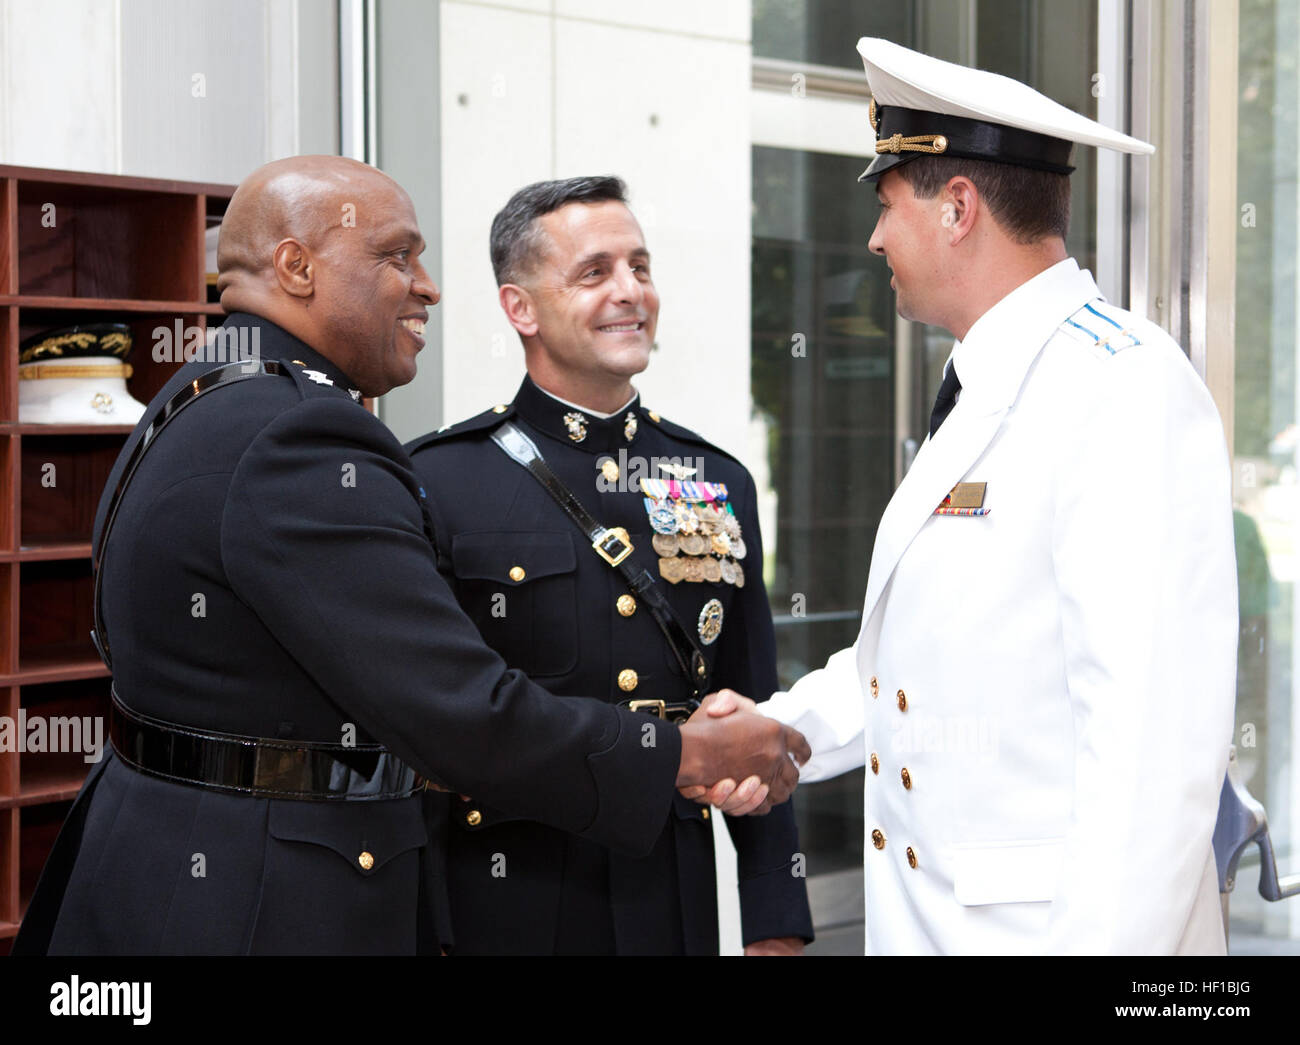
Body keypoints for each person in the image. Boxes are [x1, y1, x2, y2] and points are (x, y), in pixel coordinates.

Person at [13, 156, 808, 956]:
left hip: (177, 868)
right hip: (273, 896)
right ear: (297, 267)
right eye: (397, 256)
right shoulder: (308, 435)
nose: (427, 285)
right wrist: (686, 752)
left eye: (639, 266)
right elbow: (458, 712)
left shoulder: (195, 398)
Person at [698, 37, 1237, 955]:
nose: (873, 238)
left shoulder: (1123, 386)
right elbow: (921, 665)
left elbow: (1153, 758)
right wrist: (783, 728)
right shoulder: (987, 384)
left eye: (886, 203)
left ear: (956, 207)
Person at [405, 176, 814, 955]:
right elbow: (435, 721)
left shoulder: (713, 479)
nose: (631, 292)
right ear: (519, 308)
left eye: (641, 267)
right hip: (507, 895)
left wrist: (774, 918)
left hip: (670, 890)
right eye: (595, 272)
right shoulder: (440, 481)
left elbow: (748, 709)